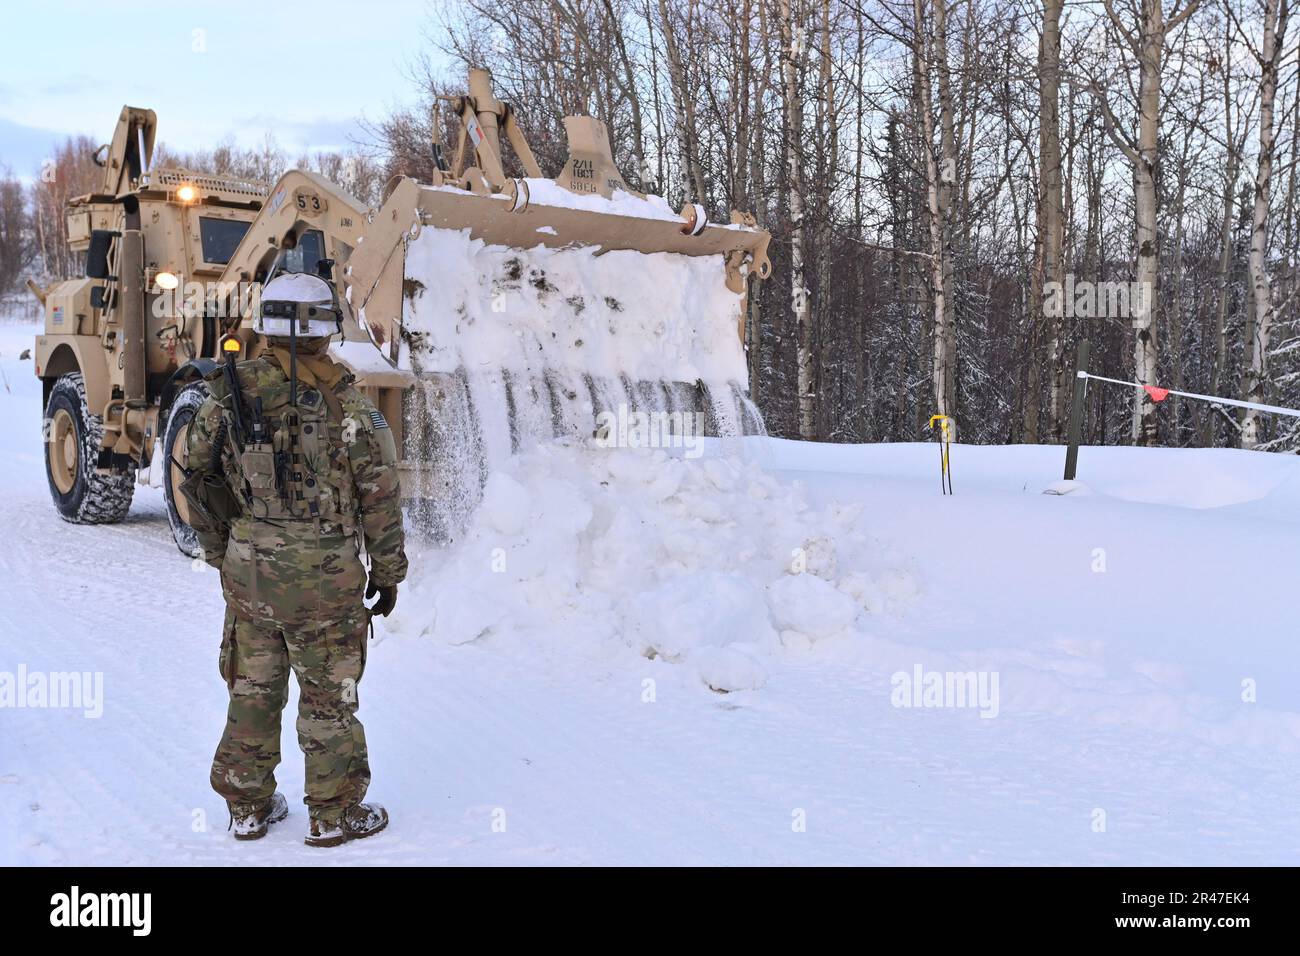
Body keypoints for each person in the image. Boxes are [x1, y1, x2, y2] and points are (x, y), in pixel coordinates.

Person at [181, 267, 407, 848]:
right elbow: (380, 497)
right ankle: (332, 815)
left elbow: (195, 477)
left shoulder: (226, 394)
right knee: (329, 698)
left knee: (252, 690)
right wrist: (388, 573)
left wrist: (221, 549)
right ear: (327, 331)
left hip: (250, 575)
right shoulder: (349, 404)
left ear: (264, 325)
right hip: (326, 584)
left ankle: (247, 807)